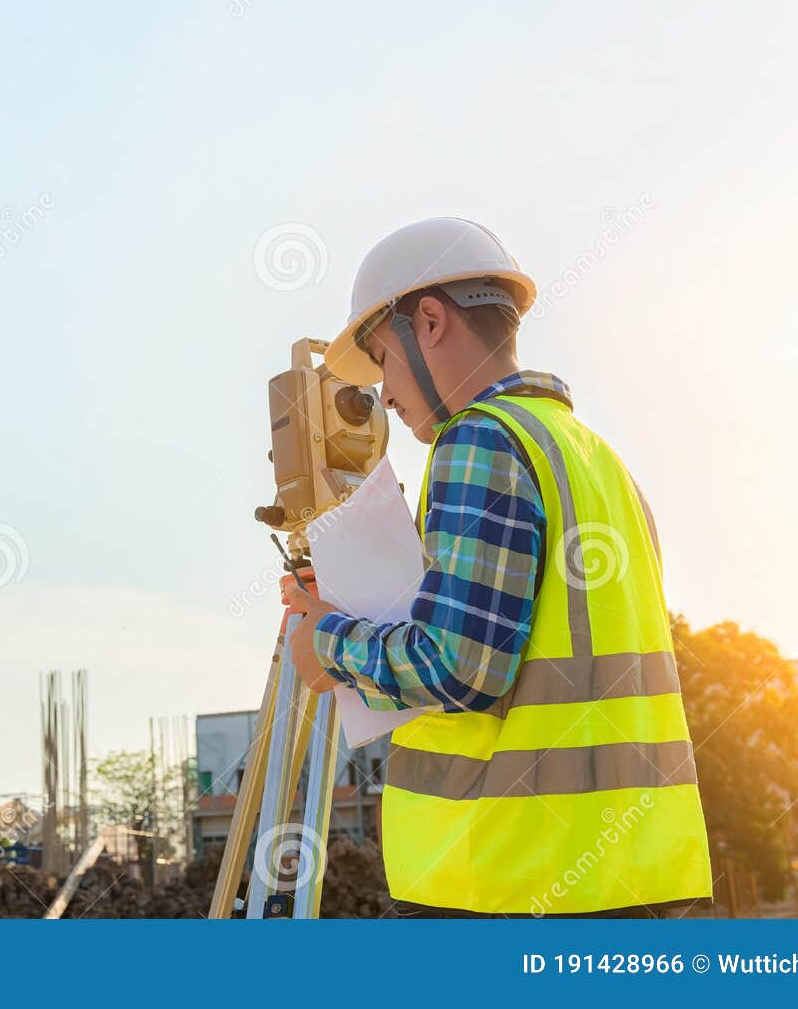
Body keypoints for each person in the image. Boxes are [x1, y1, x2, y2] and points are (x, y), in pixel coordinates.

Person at [281, 217, 712, 918]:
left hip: (508, 875)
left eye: (385, 360)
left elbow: (461, 667)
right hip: (638, 875)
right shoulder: (593, 454)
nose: (385, 394)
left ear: (430, 322)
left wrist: (328, 640)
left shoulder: (477, 440)